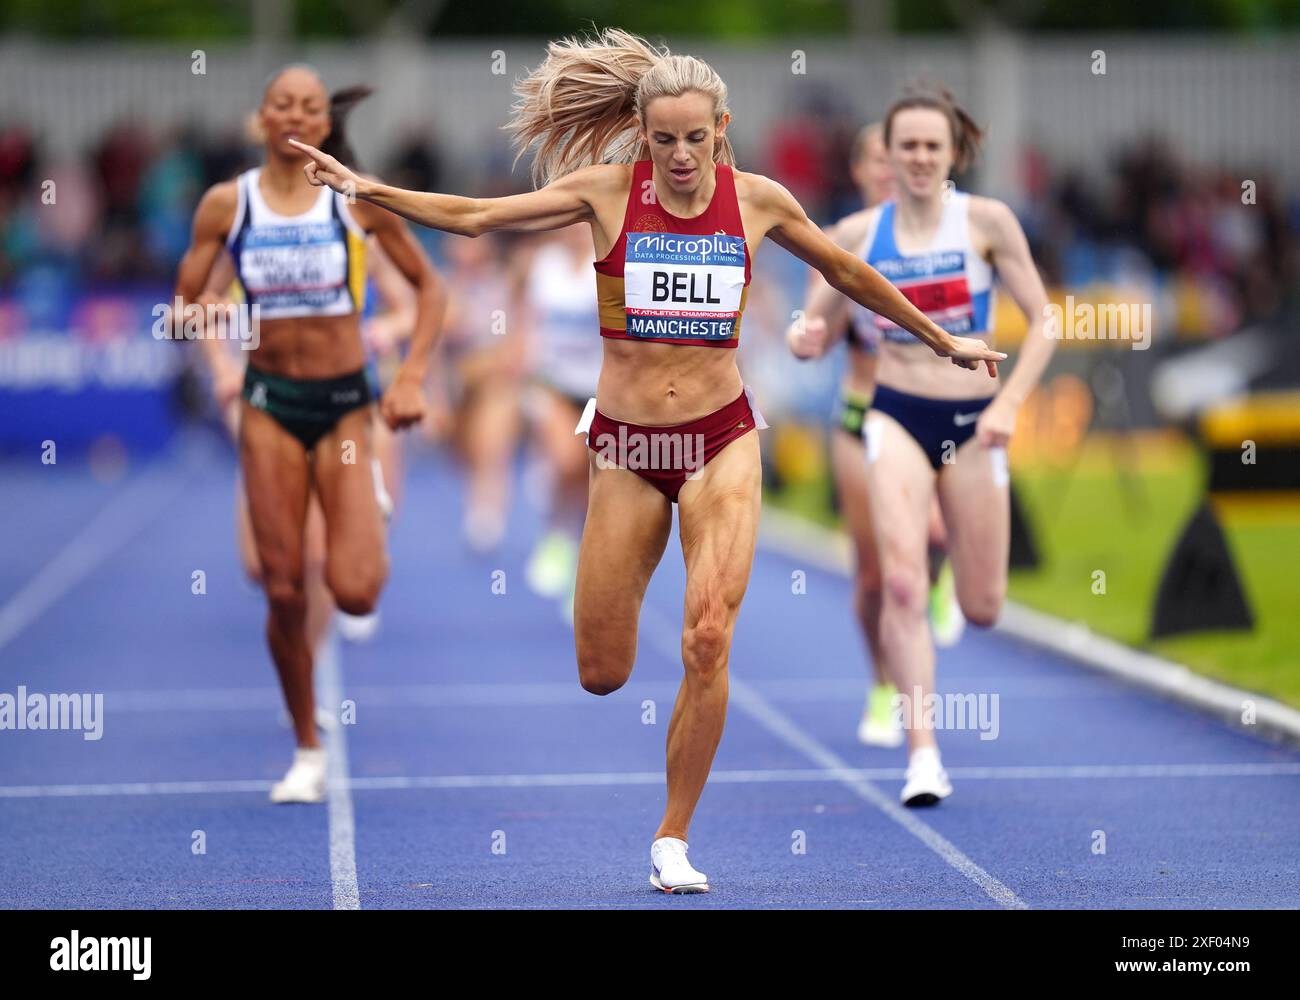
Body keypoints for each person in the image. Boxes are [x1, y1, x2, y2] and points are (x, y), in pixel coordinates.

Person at [288, 29, 1002, 890]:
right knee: (602, 670)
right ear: (641, 131)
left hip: (722, 440)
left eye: (695, 138)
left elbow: (849, 271)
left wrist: (941, 339)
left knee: (708, 636)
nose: (679, 156)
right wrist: (367, 188)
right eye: (662, 139)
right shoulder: (604, 194)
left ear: (720, 129)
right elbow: (478, 217)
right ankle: (638, 725)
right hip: (626, 450)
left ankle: (672, 838)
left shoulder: (760, 201)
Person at [174, 66, 444, 803]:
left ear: (324, 128)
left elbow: (430, 289)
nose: (295, 114)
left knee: (354, 592)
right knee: (282, 586)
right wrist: (213, 324)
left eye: (311, 107)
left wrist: (413, 376)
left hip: (347, 407)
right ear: (261, 119)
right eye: (281, 103)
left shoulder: (353, 200)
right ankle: (305, 747)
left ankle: (370, 500)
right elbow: (181, 308)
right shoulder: (228, 206)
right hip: (268, 405)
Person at [795, 85, 1054, 806]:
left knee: (983, 607)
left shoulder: (989, 222)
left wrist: (1008, 405)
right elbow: (809, 324)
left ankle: (955, 593)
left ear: (952, 153)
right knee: (900, 584)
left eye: (930, 146)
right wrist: (803, 336)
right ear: (889, 153)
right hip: (894, 415)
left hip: (976, 424)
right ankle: (923, 755)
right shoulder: (854, 234)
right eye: (904, 145)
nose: (916, 157)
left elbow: (1046, 324)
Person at [513, 224, 601, 620]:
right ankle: (557, 535)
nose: (577, 233)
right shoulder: (543, 265)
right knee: (567, 461)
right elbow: (526, 322)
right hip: (553, 383)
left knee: (593, 481)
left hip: (600, 389)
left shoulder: (609, 265)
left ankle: (584, 568)